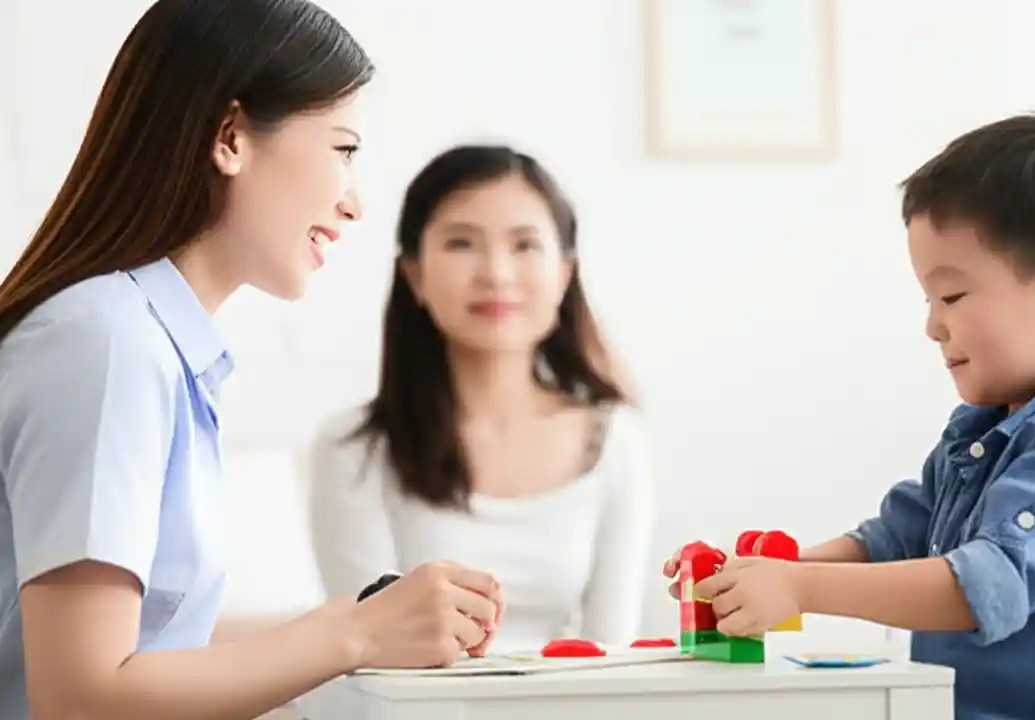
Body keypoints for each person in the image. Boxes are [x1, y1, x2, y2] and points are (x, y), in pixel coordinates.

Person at [0, 2, 503, 718]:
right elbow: (80, 698)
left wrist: (366, 625)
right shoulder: (107, 341)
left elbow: (161, 653)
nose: (354, 202)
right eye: (343, 148)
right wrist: (351, 632)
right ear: (230, 137)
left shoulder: (149, 345)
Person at [673, 112, 1035, 719]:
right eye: (928, 298)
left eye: (951, 296)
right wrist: (772, 571)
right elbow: (896, 540)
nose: (932, 325)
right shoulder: (987, 428)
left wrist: (799, 589)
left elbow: (980, 588)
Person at [308, 145, 654, 652]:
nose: (496, 272)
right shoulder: (351, 448)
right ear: (415, 274)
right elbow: (370, 654)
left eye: (525, 245)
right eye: (461, 243)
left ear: (564, 274)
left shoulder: (614, 440)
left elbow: (611, 653)